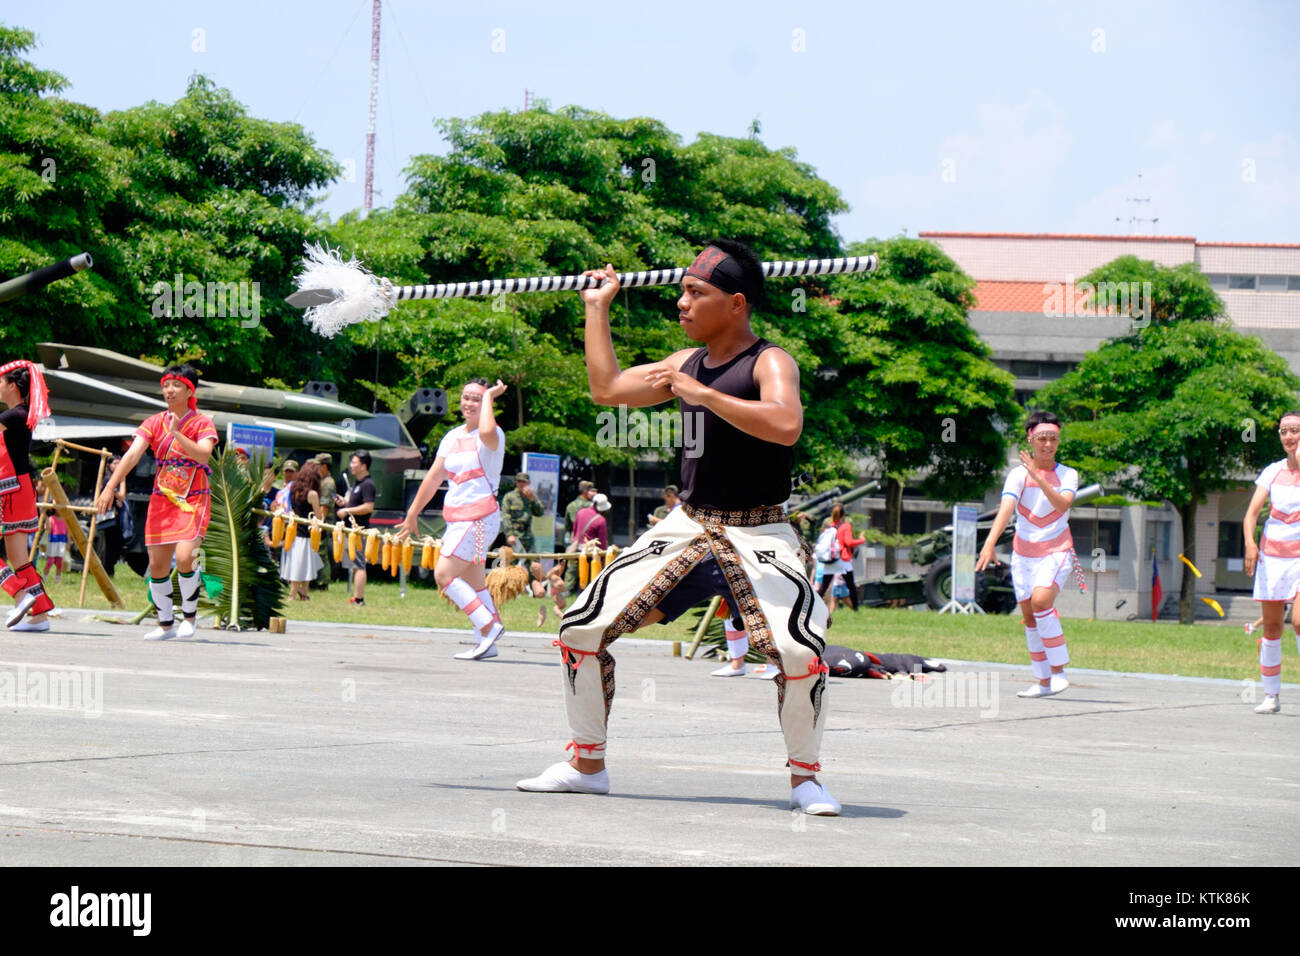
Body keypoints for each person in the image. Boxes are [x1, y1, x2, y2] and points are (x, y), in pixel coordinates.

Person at [517, 240, 838, 816]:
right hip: (688, 525)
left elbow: (786, 424)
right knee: (579, 627)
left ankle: (805, 780)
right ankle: (587, 765)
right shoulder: (682, 364)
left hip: (761, 531)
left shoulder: (769, 361)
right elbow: (607, 390)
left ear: (736, 304)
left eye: (697, 293)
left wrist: (701, 395)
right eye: (683, 291)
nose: (682, 304)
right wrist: (597, 308)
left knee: (798, 649)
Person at [95, 364, 218, 641]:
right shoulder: (153, 422)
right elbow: (132, 455)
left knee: (186, 558)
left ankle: (189, 617)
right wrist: (109, 486)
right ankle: (165, 625)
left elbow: (203, 456)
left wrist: (176, 434)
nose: (169, 391)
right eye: (165, 385)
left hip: (194, 500)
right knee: (159, 566)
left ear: (189, 390)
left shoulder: (202, 423)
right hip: (162, 500)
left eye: (176, 385)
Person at [399, 379, 508, 660]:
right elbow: (435, 476)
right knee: (474, 581)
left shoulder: (493, 433)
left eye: (477, 398)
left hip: (478, 517)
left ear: (487, 403)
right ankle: (487, 641)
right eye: (466, 397)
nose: (469, 402)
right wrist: (412, 514)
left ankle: (489, 625)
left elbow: (485, 428)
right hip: (461, 519)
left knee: (443, 575)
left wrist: (489, 399)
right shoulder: (452, 436)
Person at [976, 410, 1079, 698]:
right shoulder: (1018, 475)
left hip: (1056, 551)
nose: (1048, 444)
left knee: (1042, 601)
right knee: (1030, 617)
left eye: (1054, 438)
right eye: (1042, 438)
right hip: (1023, 555)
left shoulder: (1068, 474)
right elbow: (1006, 508)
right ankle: (1042, 682)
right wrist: (989, 542)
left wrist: (1039, 477)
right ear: (1030, 439)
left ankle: (1059, 671)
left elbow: (1061, 505)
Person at [1242, 410, 1300, 714]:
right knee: (1273, 627)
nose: (1289, 437)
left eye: (1295, 431)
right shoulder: (1272, 471)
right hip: (1273, 556)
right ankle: (1271, 696)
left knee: (1299, 621)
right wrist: (1251, 543)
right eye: (1284, 431)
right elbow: (1251, 514)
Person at [0, 360, 55, 631]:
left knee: (18, 557)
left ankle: (21, 596)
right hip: (19, 488)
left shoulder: (13, 416)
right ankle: (40, 615)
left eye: (0, 382)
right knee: (19, 558)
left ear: (12, 386)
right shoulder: (20, 414)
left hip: (11, 490)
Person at [281, 461, 326, 601]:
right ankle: (293, 594)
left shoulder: (293, 489)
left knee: (302, 565)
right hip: (307, 535)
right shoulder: (312, 494)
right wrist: (323, 517)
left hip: (294, 533)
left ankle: (304, 594)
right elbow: (318, 517)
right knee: (302, 567)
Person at [335, 451, 376, 607]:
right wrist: (344, 503)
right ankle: (356, 596)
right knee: (354, 565)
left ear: (363, 466)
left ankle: (359, 599)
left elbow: (368, 506)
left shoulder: (367, 484)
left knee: (359, 565)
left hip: (359, 532)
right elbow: (355, 505)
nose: (351, 465)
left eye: (354, 462)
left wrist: (347, 511)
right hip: (351, 532)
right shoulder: (357, 484)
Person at [816, 502, 864, 623]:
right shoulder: (846, 526)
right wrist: (861, 539)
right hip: (842, 560)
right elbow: (848, 542)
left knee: (823, 587)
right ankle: (856, 610)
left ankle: (812, 605)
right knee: (851, 586)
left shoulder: (828, 527)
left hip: (829, 560)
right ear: (843, 515)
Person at [501, 471, 544, 555]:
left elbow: (540, 513)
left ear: (528, 483)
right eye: (519, 481)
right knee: (510, 565)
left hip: (527, 535)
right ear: (516, 482)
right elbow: (505, 516)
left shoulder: (531, 496)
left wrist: (532, 500)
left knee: (534, 565)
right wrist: (510, 534)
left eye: (524, 482)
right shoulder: (510, 497)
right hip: (514, 534)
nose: (521, 484)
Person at [312, 453, 336, 590]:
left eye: (318, 465)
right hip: (320, 521)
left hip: (324, 522)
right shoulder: (322, 481)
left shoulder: (328, 483)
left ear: (324, 466)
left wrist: (319, 524)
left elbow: (324, 506)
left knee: (321, 552)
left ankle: (322, 582)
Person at [43, 513, 67, 583]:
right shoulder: (51, 518)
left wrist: (68, 542)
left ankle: (58, 580)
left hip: (62, 541)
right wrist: (47, 521)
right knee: (50, 561)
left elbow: (68, 532)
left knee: (59, 562)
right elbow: (47, 530)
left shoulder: (65, 519)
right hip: (53, 541)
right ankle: (44, 577)